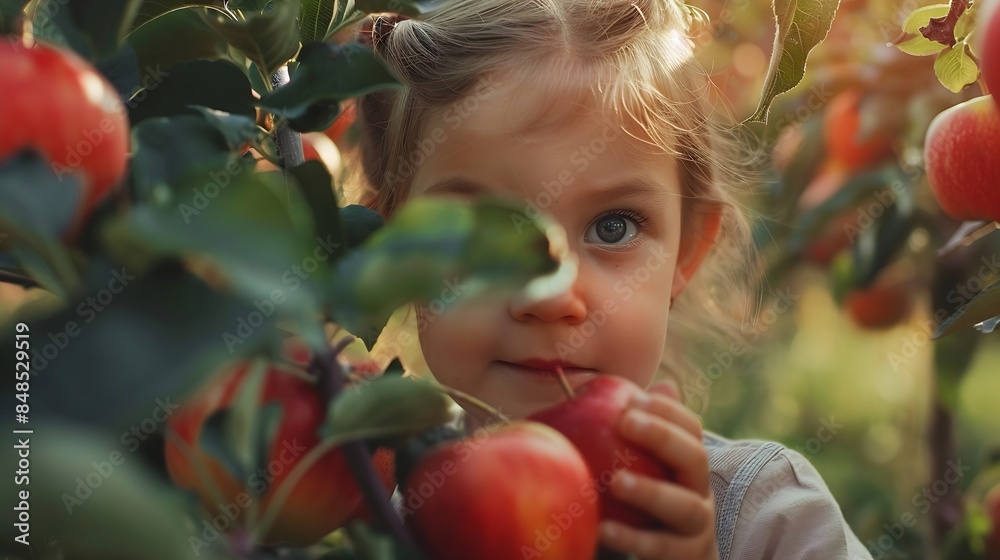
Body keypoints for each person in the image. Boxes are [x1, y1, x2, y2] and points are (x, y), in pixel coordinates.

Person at [344, 0, 874, 558]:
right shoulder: (368, 519)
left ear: (686, 251)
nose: (548, 295)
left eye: (612, 227)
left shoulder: (769, 520)